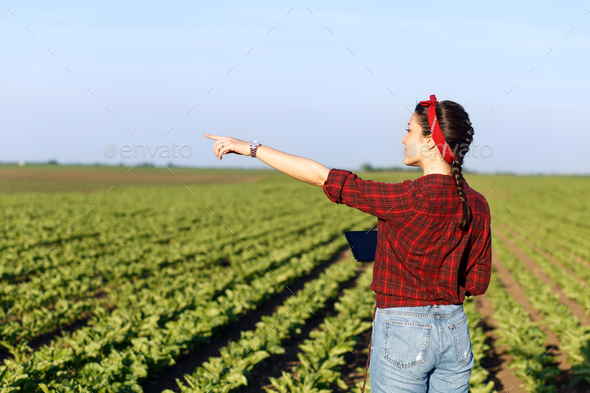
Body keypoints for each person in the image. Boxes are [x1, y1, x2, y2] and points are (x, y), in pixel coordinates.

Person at [204, 94, 492, 393]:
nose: (403, 139)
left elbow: (322, 178)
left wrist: (252, 149)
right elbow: (476, 283)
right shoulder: (478, 204)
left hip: (405, 329)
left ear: (431, 141)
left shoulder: (407, 198)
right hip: (455, 329)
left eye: (409, 130)